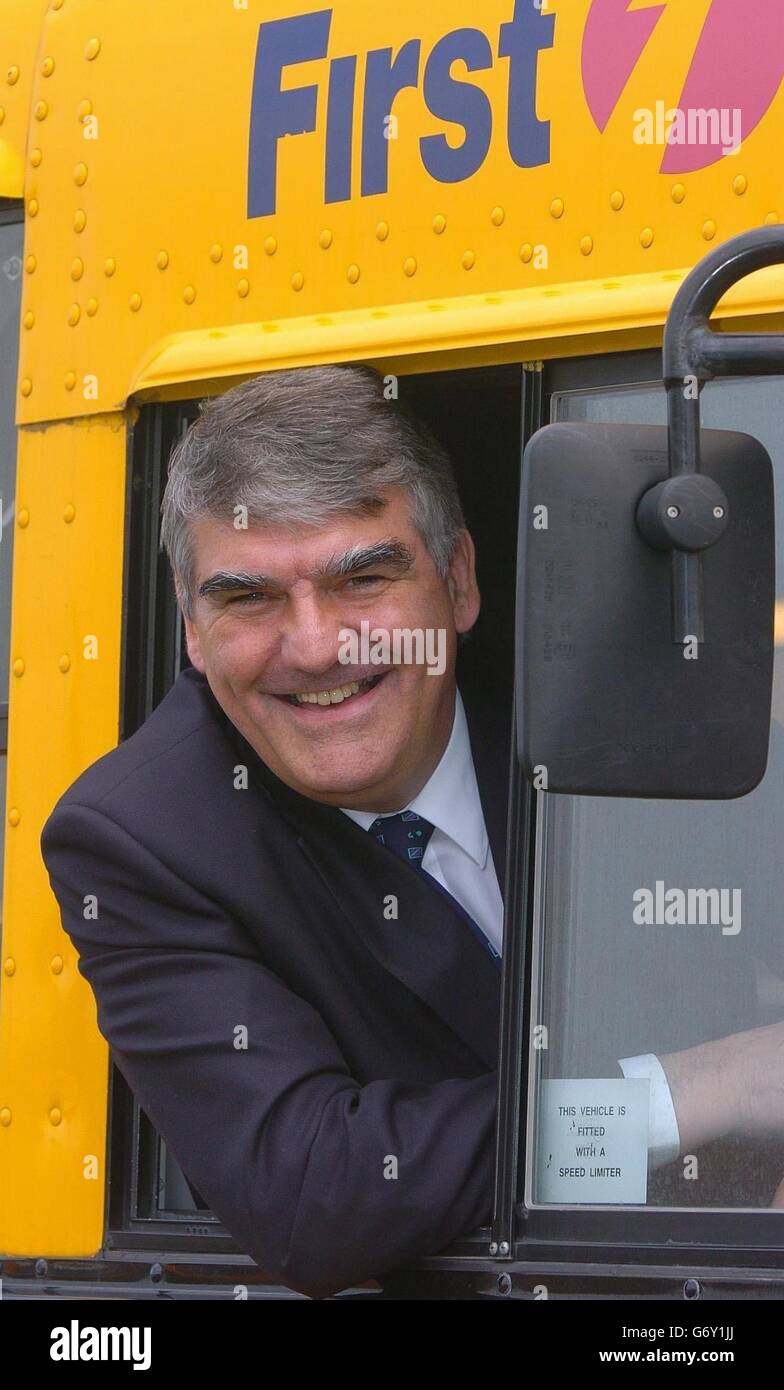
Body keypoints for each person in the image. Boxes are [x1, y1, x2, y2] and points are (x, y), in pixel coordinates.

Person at [39, 364, 784, 1300]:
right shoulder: (141, 837)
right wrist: (699, 1093)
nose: (315, 647)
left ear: (461, 583)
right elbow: (309, 1193)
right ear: (191, 633)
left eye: (364, 577)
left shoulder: (616, 700)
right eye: (247, 598)